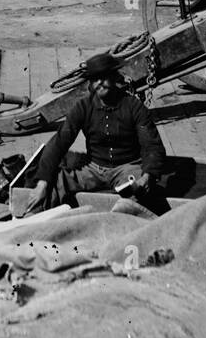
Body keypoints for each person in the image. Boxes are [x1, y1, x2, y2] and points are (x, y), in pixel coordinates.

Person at [17, 52, 168, 215]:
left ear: (114, 78)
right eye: (95, 79)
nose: (100, 84)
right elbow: (59, 142)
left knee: (139, 192)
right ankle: (33, 216)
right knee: (55, 181)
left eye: (104, 78)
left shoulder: (133, 106)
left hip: (126, 168)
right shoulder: (83, 107)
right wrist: (42, 183)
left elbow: (152, 146)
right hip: (93, 169)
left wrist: (148, 176)